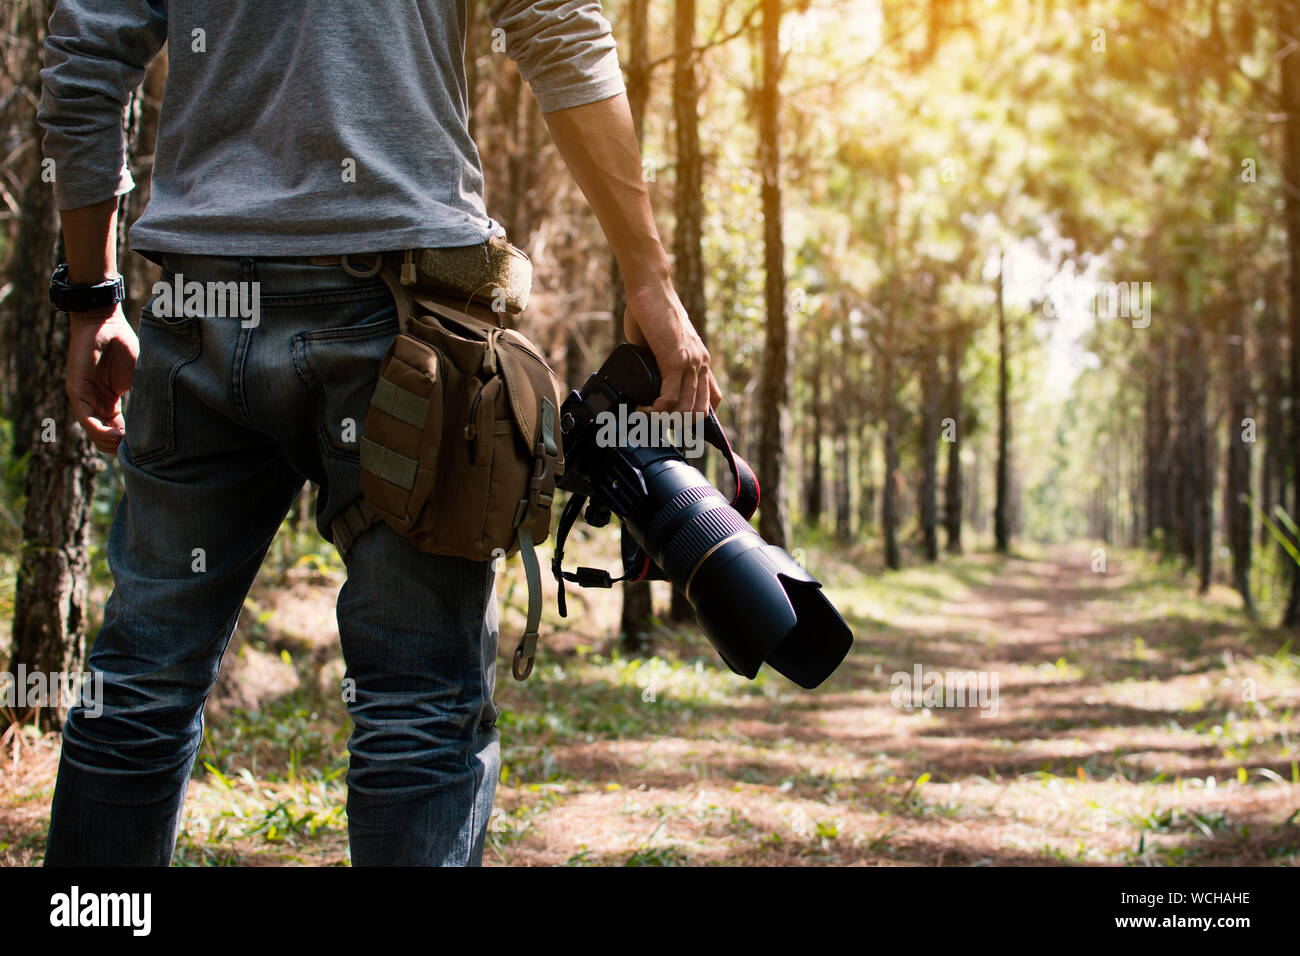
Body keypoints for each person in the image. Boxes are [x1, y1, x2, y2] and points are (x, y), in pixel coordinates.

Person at [37, 0, 719, 867]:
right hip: (404, 322)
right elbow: (559, 30)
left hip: (200, 303)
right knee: (417, 707)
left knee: (140, 687)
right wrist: (648, 278)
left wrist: (91, 294)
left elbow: (87, 48)